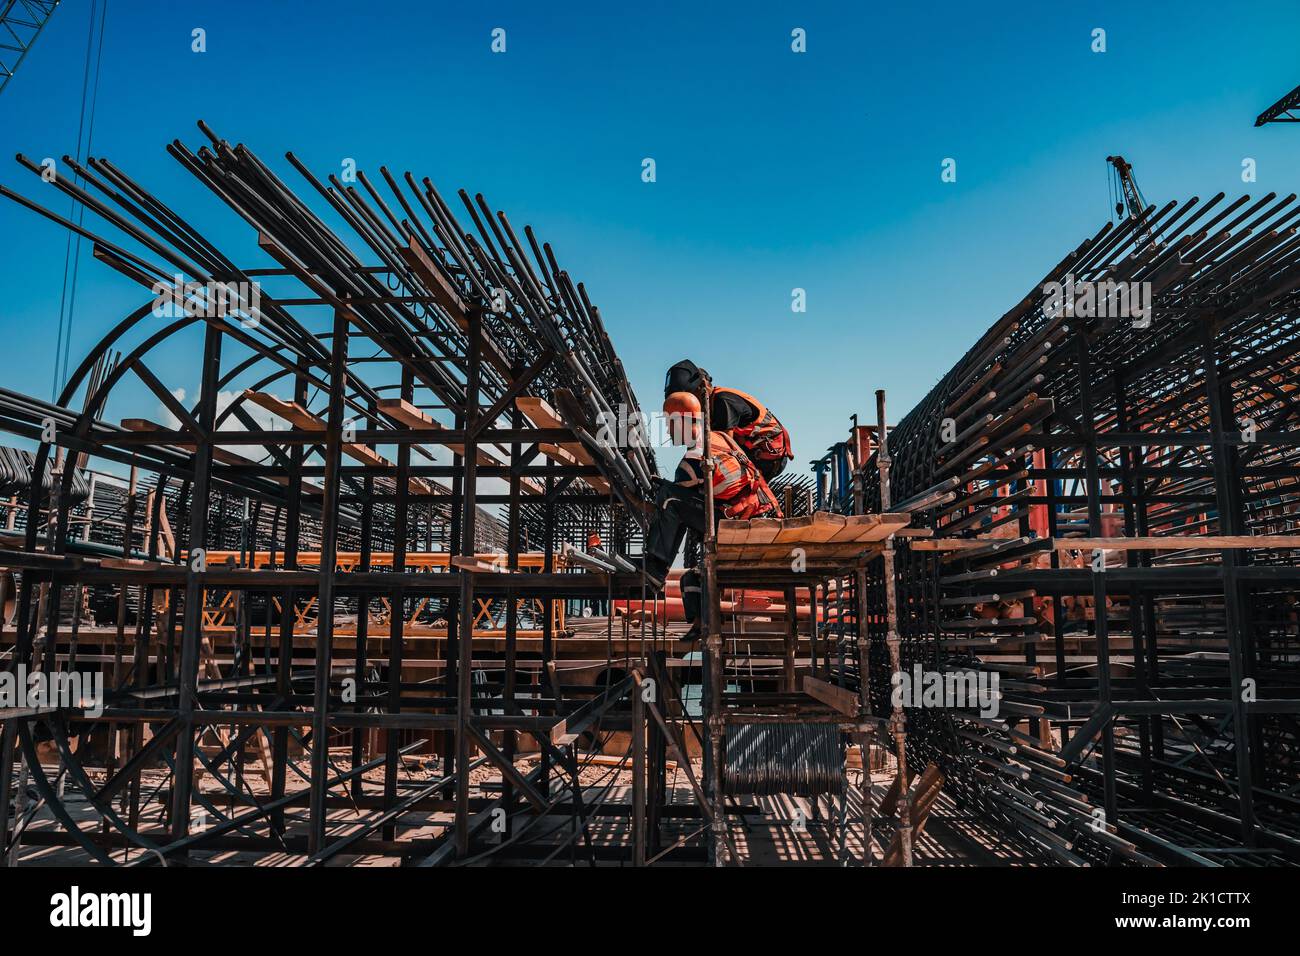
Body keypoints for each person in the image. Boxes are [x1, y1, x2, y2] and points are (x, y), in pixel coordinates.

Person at [643, 390, 782, 640]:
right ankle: (701, 627)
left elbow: (681, 492)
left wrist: (662, 493)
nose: (667, 431)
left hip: (747, 527)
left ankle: (654, 569)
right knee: (691, 579)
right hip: (749, 521)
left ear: (683, 421)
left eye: (670, 423)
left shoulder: (699, 453)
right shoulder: (717, 438)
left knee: (670, 499)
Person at [663, 359, 794, 481]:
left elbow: (724, 448)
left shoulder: (723, 401)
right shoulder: (705, 409)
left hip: (767, 460)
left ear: (701, 388)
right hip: (750, 455)